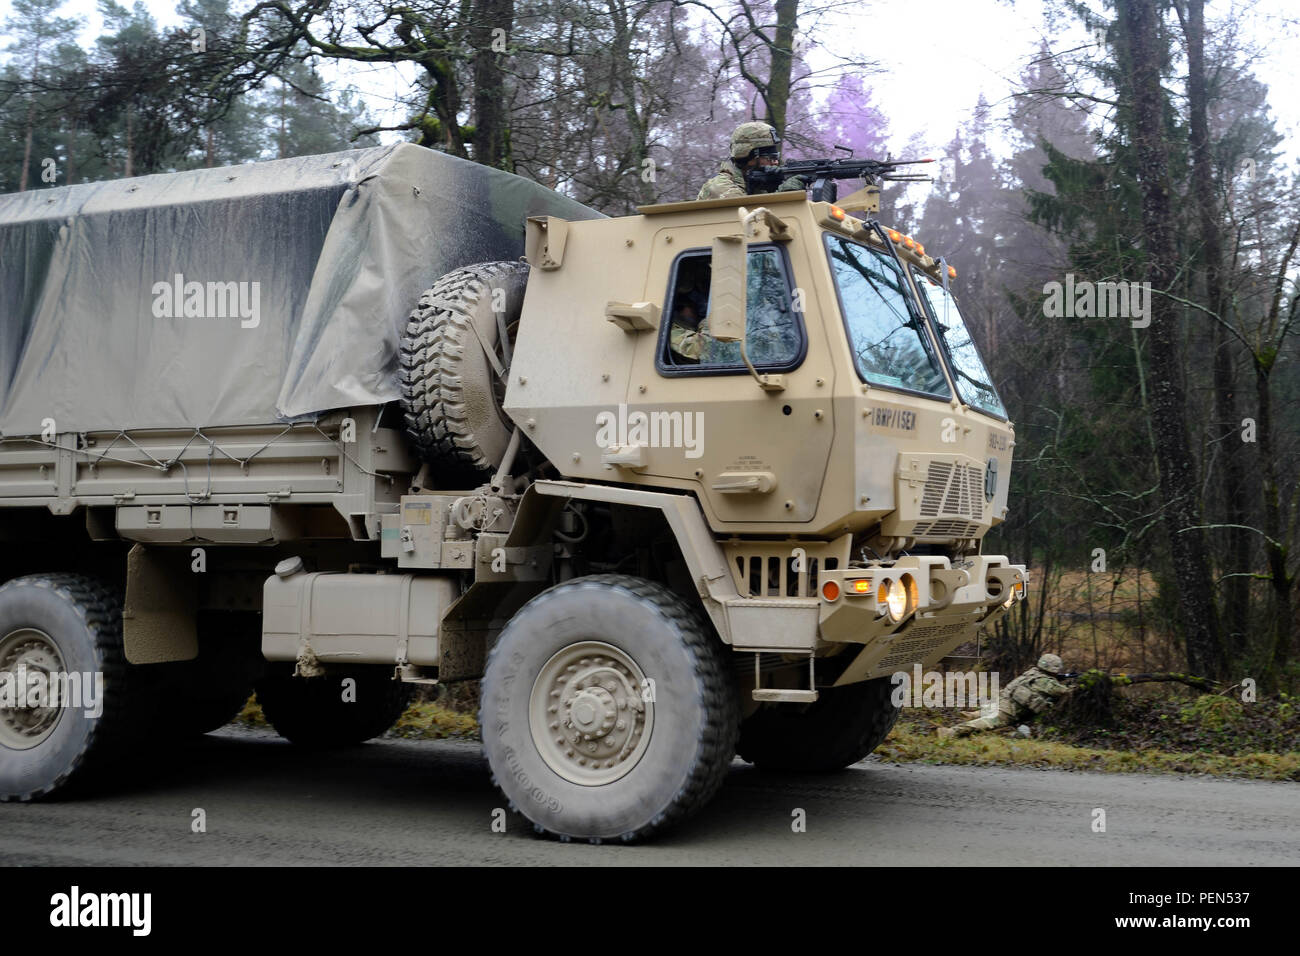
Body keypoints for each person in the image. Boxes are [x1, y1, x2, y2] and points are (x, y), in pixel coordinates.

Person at [938, 654, 1072, 739]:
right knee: (988, 723)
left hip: (1004, 699)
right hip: (1010, 710)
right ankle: (951, 732)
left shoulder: (1032, 672)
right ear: (1054, 669)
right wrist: (1073, 684)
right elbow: (1064, 691)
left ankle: (975, 714)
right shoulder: (1046, 682)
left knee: (991, 712)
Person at [697, 121, 809, 200]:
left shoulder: (755, 185)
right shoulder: (719, 187)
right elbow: (752, 222)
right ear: (750, 157)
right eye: (771, 158)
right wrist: (782, 195)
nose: (775, 162)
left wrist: (773, 189)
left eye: (776, 157)